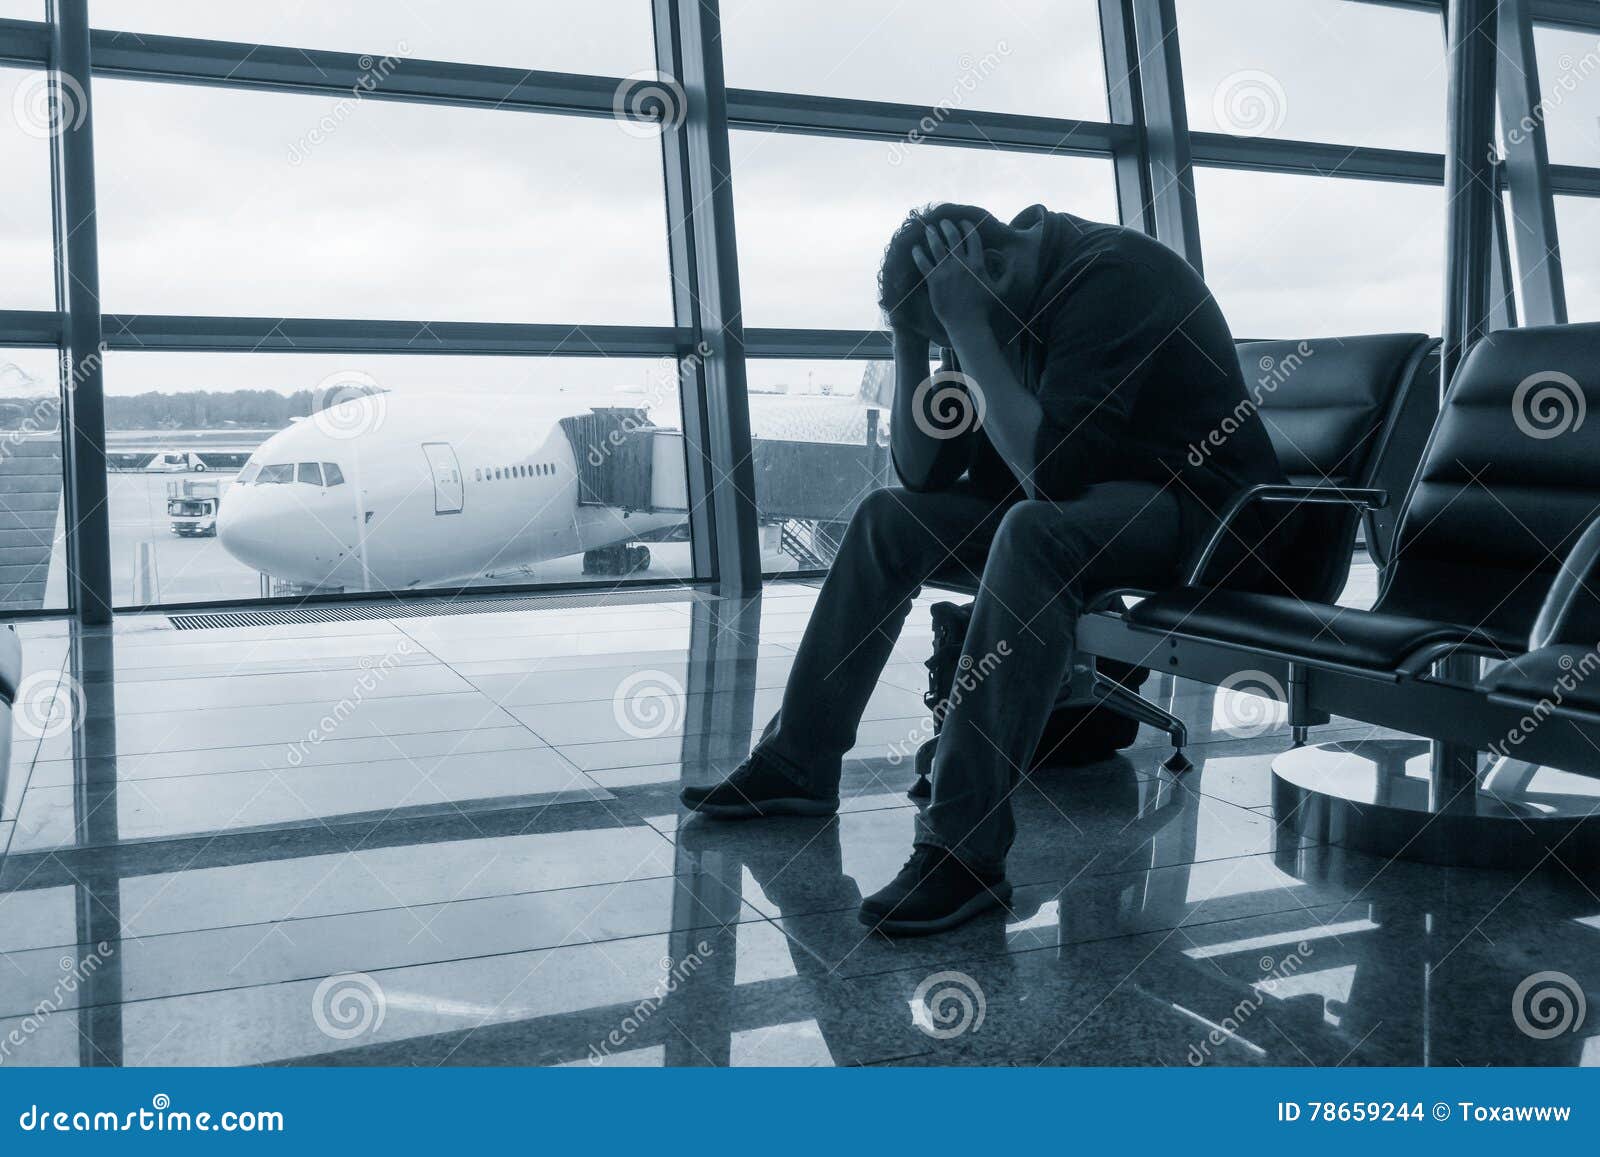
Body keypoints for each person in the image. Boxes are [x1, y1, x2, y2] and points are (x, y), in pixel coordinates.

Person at [681, 203, 1285, 935]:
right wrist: (913, 337)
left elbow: (1049, 476)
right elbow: (924, 470)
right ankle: (797, 763)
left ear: (993, 267)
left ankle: (962, 851)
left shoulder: (1113, 276)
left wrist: (965, 326)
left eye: (954, 330)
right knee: (885, 519)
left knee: (1035, 531)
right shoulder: (987, 295)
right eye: (946, 335)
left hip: (1207, 516)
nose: (958, 353)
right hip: (1096, 503)